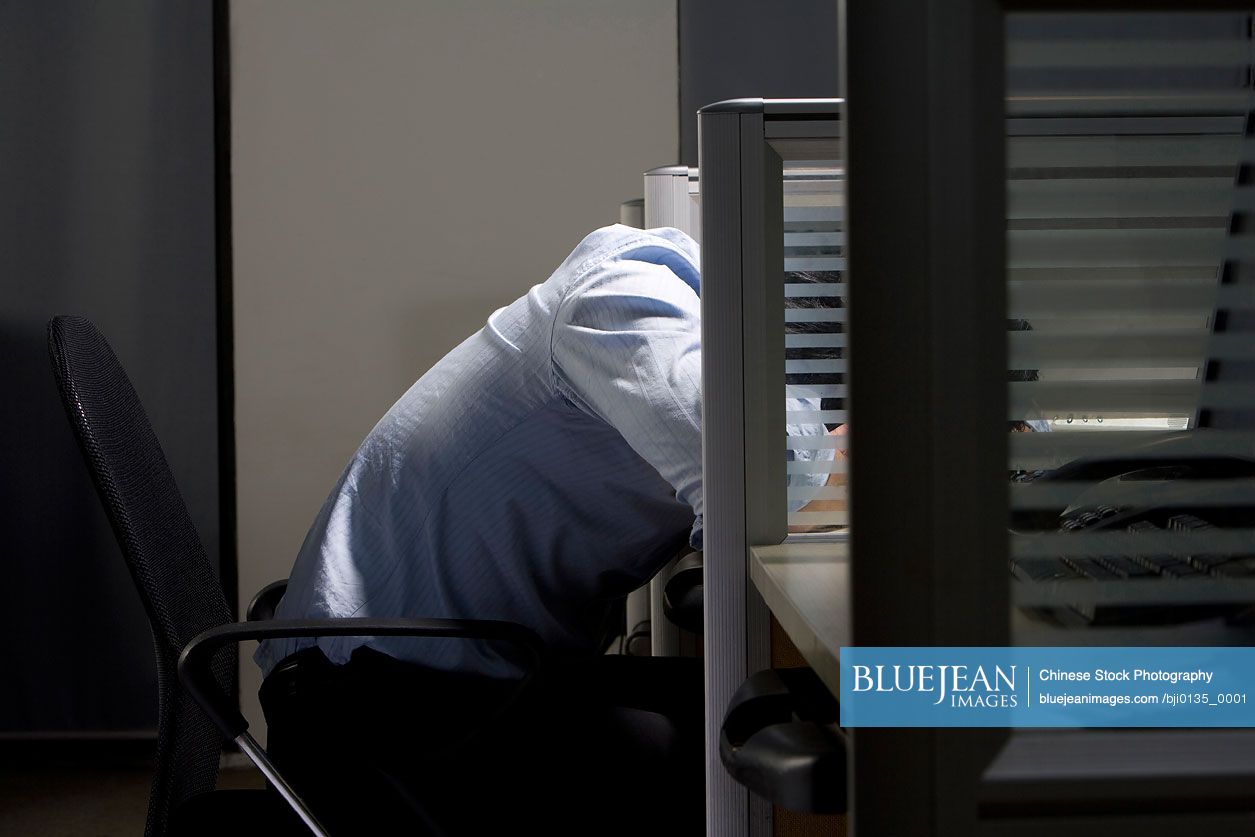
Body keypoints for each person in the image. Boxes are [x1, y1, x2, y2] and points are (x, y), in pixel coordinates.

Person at [255, 224, 833, 836]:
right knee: (768, 736)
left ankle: (944, 698)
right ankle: (941, 701)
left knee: (801, 705)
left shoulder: (687, 311)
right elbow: (767, 482)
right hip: (376, 701)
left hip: (453, 673)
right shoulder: (627, 298)